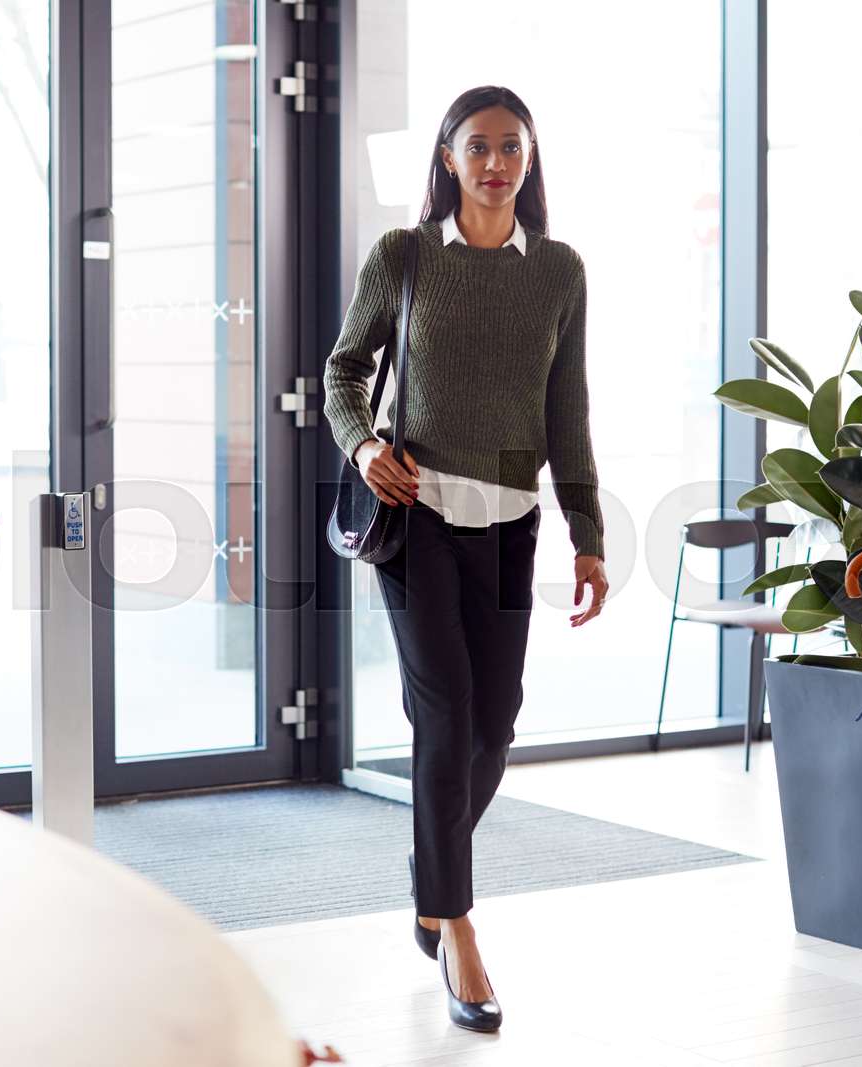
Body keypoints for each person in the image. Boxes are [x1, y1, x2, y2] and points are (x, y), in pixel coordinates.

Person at [322, 85, 608, 1032]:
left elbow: (567, 413)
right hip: (419, 521)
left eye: (511, 149)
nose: (494, 164)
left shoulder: (558, 272)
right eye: (476, 147)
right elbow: (342, 370)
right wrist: (366, 448)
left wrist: (590, 536)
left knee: (496, 728)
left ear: (529, 162)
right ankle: (460, 932)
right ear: (447, 156)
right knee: (446, 719)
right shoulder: (405, 257)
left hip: (512, 522)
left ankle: (427, 874)